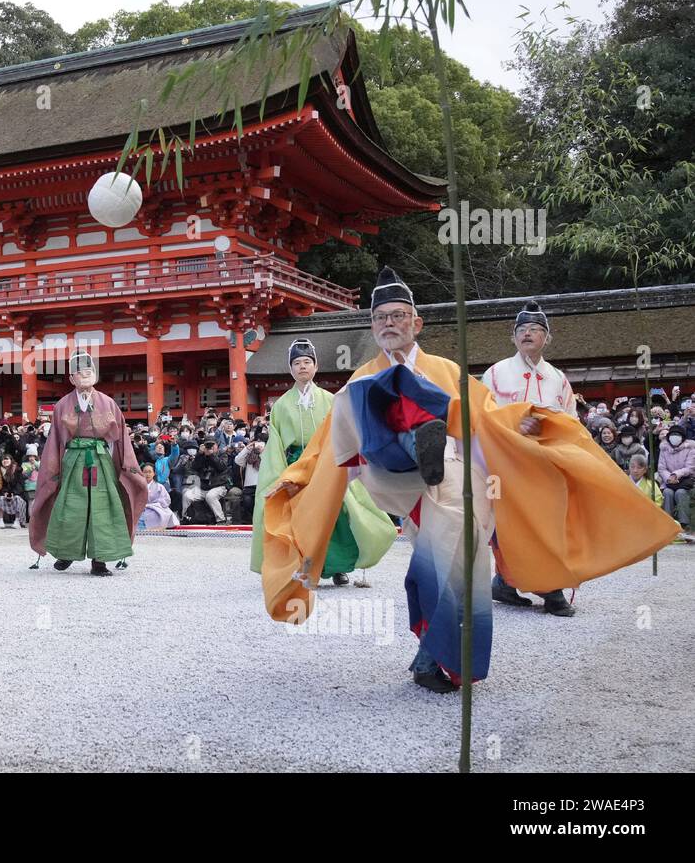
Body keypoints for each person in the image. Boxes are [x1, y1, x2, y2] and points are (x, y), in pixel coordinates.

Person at [260, 267, 677, 694]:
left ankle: (432, 657)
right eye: (381, 316)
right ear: (372, 324)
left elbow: (489, 415)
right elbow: (328, 441)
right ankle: (410, 436)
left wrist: (524, 424)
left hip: (451, 476)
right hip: (392, 472)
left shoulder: (445, 369)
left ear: (416, 323)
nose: (389, 323)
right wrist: (299, 475)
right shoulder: (361, 375)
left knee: (459, 554)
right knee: (363, 399)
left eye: (398, 315)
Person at [249, 339, 395, 586]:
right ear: (290, 368)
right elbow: (276, 446)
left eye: (307, 362)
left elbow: (343, 434)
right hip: (296, 470)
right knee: (301, 521)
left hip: (327, 466)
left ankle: (339, 568)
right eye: (297, 363)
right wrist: (280, 476)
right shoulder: (281, 405)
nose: (302, 367)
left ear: (315, 367)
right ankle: (306, 568)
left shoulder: (330, 399)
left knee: (335, 518)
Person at [481, 301, 576, 617]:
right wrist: (514, 423)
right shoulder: (496, 374)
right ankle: (510, 582)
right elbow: (482, 417)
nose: (528, 334)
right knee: (505, 527)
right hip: (503, 463)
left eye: (535, 329)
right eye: (521, 330)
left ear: (547, 338)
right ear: (513, 337)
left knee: (546, 525)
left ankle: (549, 585)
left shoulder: (558, 379)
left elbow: (571, 423)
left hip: (543, 463)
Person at [28, 352, 147, 576]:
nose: (85, 376)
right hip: (73, 460)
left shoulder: (108, 403)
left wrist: (126, 465)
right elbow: (54, 440)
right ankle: (66, 553)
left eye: (89, 372)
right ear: (71, 378)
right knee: (71, 506)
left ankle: (99, 560)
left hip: (100, 460)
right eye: (79, 373)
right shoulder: (63, 404)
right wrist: (53, 470)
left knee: (102, 508)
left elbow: (121, 437)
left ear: (95, 375)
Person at [657, 425, 695, 532]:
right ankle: (668, 523)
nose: (675, 437)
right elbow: (661, 467)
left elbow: (690, 467)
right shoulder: (664, 449)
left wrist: (676, 475)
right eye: (672, 435)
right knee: (667, 493)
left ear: (682, 437)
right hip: (668, 481)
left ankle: (684, 524)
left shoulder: (690, 448)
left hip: (684, 480)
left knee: (680, 493)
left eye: (677, 435)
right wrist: (669, 478)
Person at [185, 439, 231, 524]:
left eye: (212, 445)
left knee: (211, 496)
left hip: (219, 485)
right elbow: (194, 467)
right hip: (204, 486)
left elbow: (222, 467)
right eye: (208, 446)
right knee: (188, 495)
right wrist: (199, 454)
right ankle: (187, 518)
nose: (210, 447)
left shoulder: (222, 454)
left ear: (217, 446)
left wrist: (212, 455)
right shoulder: (202, 455)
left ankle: (221, 520)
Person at [138, 464, 177, 529]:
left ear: (154, 473)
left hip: (156, 509)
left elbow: (166, 500)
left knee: (156, 515)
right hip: (141, 509)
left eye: (150, 472)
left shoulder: (159, 486)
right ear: (142, 473)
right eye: (145, 472)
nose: (147, 474)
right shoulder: (138, 487)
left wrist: (155, 505)